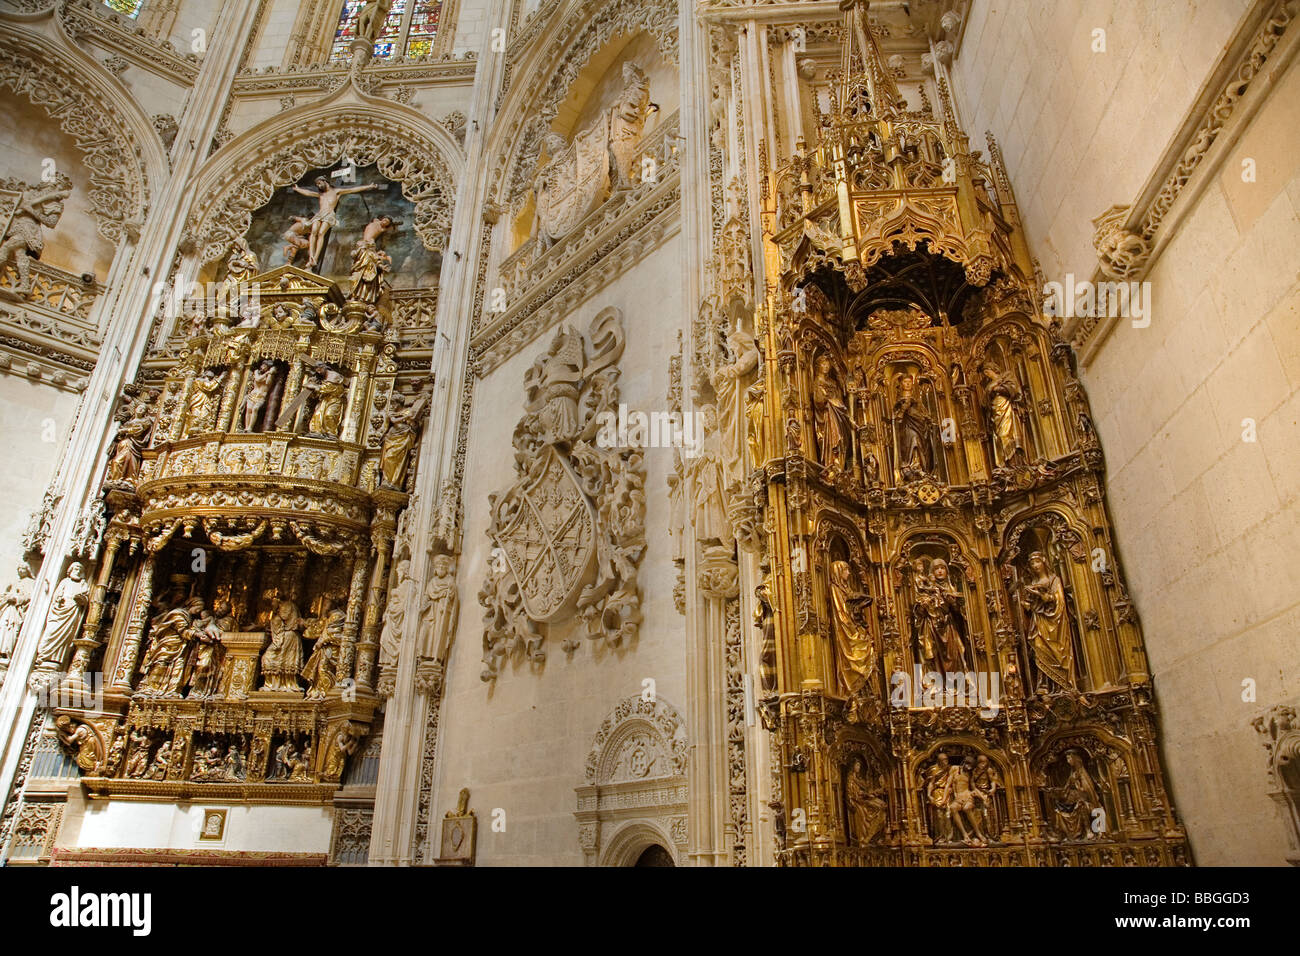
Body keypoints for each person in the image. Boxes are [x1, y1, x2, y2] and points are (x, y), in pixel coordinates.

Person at [290, 176, 382, 271]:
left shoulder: (336, 191)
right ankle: (311, 256)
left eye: (319, 183)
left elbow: (352, 189)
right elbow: (308, 193)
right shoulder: (320, 194)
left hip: (329, 215)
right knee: (313, 232)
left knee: (321, 233)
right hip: (319, 215)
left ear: (325, 181)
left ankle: (316, 258)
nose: (318, 185)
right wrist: (297, 189)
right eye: (317, 184)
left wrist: (369, 186)